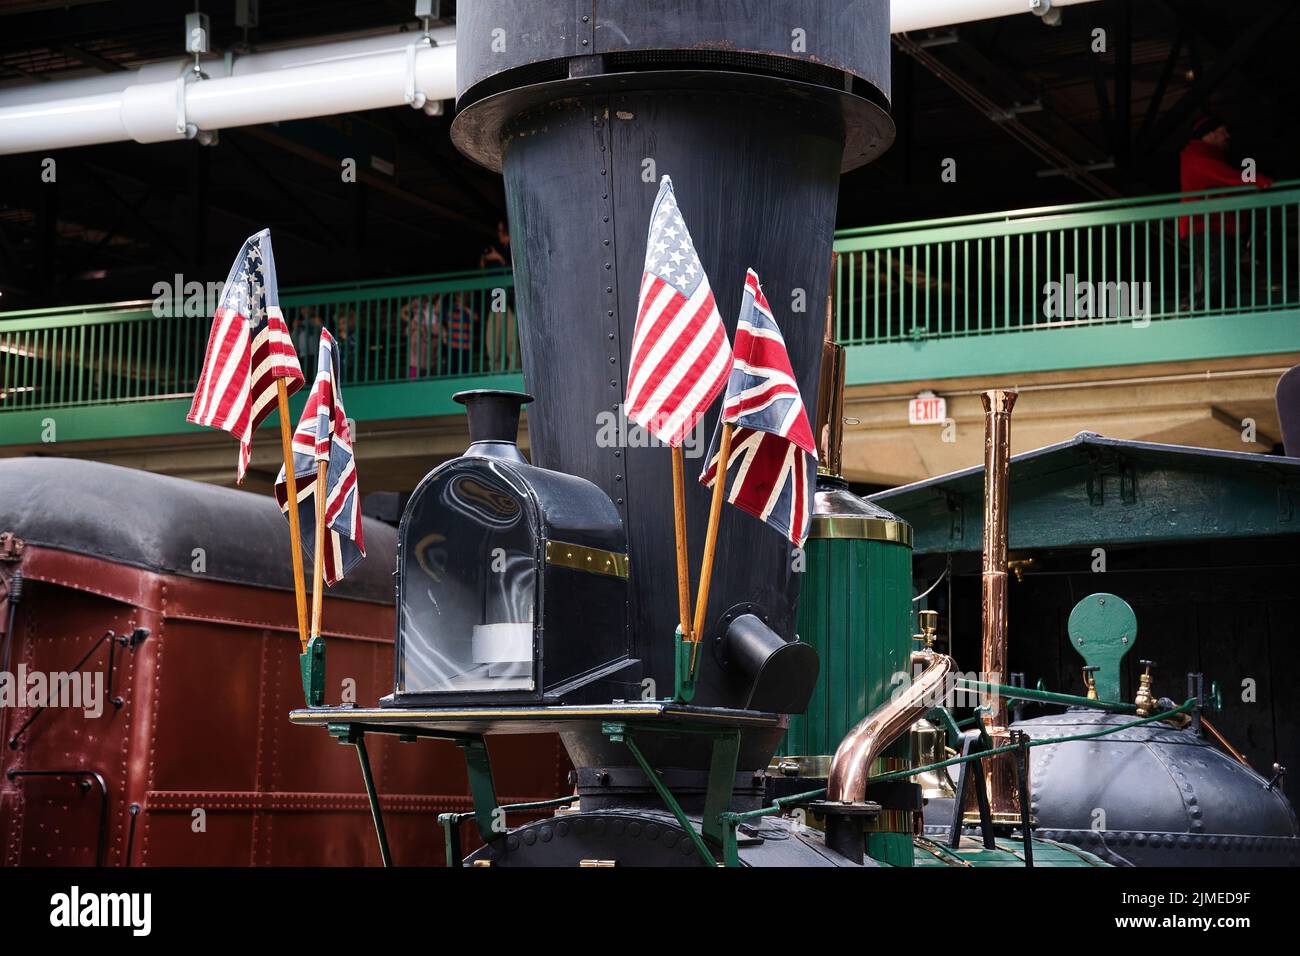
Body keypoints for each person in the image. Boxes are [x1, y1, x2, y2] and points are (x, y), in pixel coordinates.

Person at [1179, 116, 1274, 309]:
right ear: (1210, 133)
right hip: (1206, 224)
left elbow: (1225, 180)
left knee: (1214, 270)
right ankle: (1194, 308)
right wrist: (1259, 181)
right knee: (1217, 270)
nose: (1227, 136)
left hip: (1211, 224)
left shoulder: (1206, 156)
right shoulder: (1197, 155)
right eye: (1222, 131)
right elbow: (1225, 176)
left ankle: (1198, 309)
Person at [440, 290, 479, 376]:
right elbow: (442, 321)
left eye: (464, 296)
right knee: (450, 371)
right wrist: (444, 334)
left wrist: (464, 308)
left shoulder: (469, 307)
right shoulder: (449, 306)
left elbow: (475, 318)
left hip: (465, 344)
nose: (461, 298)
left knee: (464, 371)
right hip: (451, 344)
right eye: (459, 296)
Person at [404, 295, 438, 380]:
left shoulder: (434, 306)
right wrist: (414, 323)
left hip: (430, 340)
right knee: (415, 364)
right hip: (418, 338)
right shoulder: (417, 303)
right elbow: (403, 311)